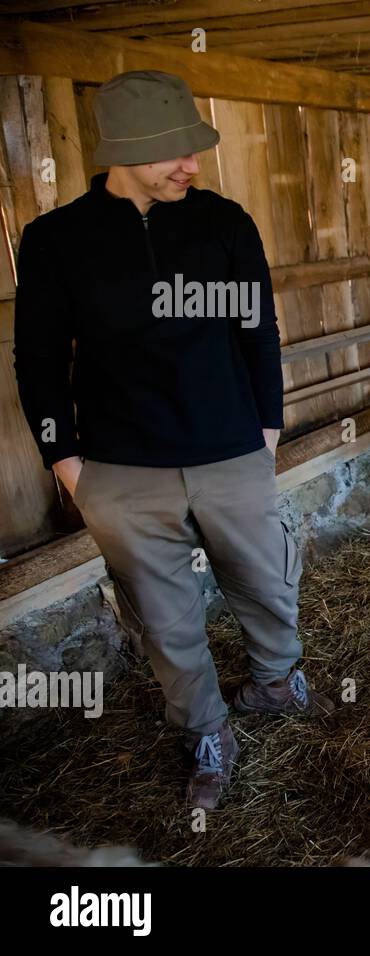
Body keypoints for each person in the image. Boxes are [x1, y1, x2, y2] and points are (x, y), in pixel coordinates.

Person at [14, 70, 333, 811]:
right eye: (173, 152)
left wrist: (265, 435)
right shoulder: (57, 241)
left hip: (232, 454)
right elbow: (36, 360)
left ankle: (276, 683)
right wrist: (68, 466)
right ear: (122, 150)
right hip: (122, 472)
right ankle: (206, 733)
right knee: (163, 617)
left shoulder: (225, 223)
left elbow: (258, 332)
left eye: (194, 147)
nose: (192, 164)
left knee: (268, 583)